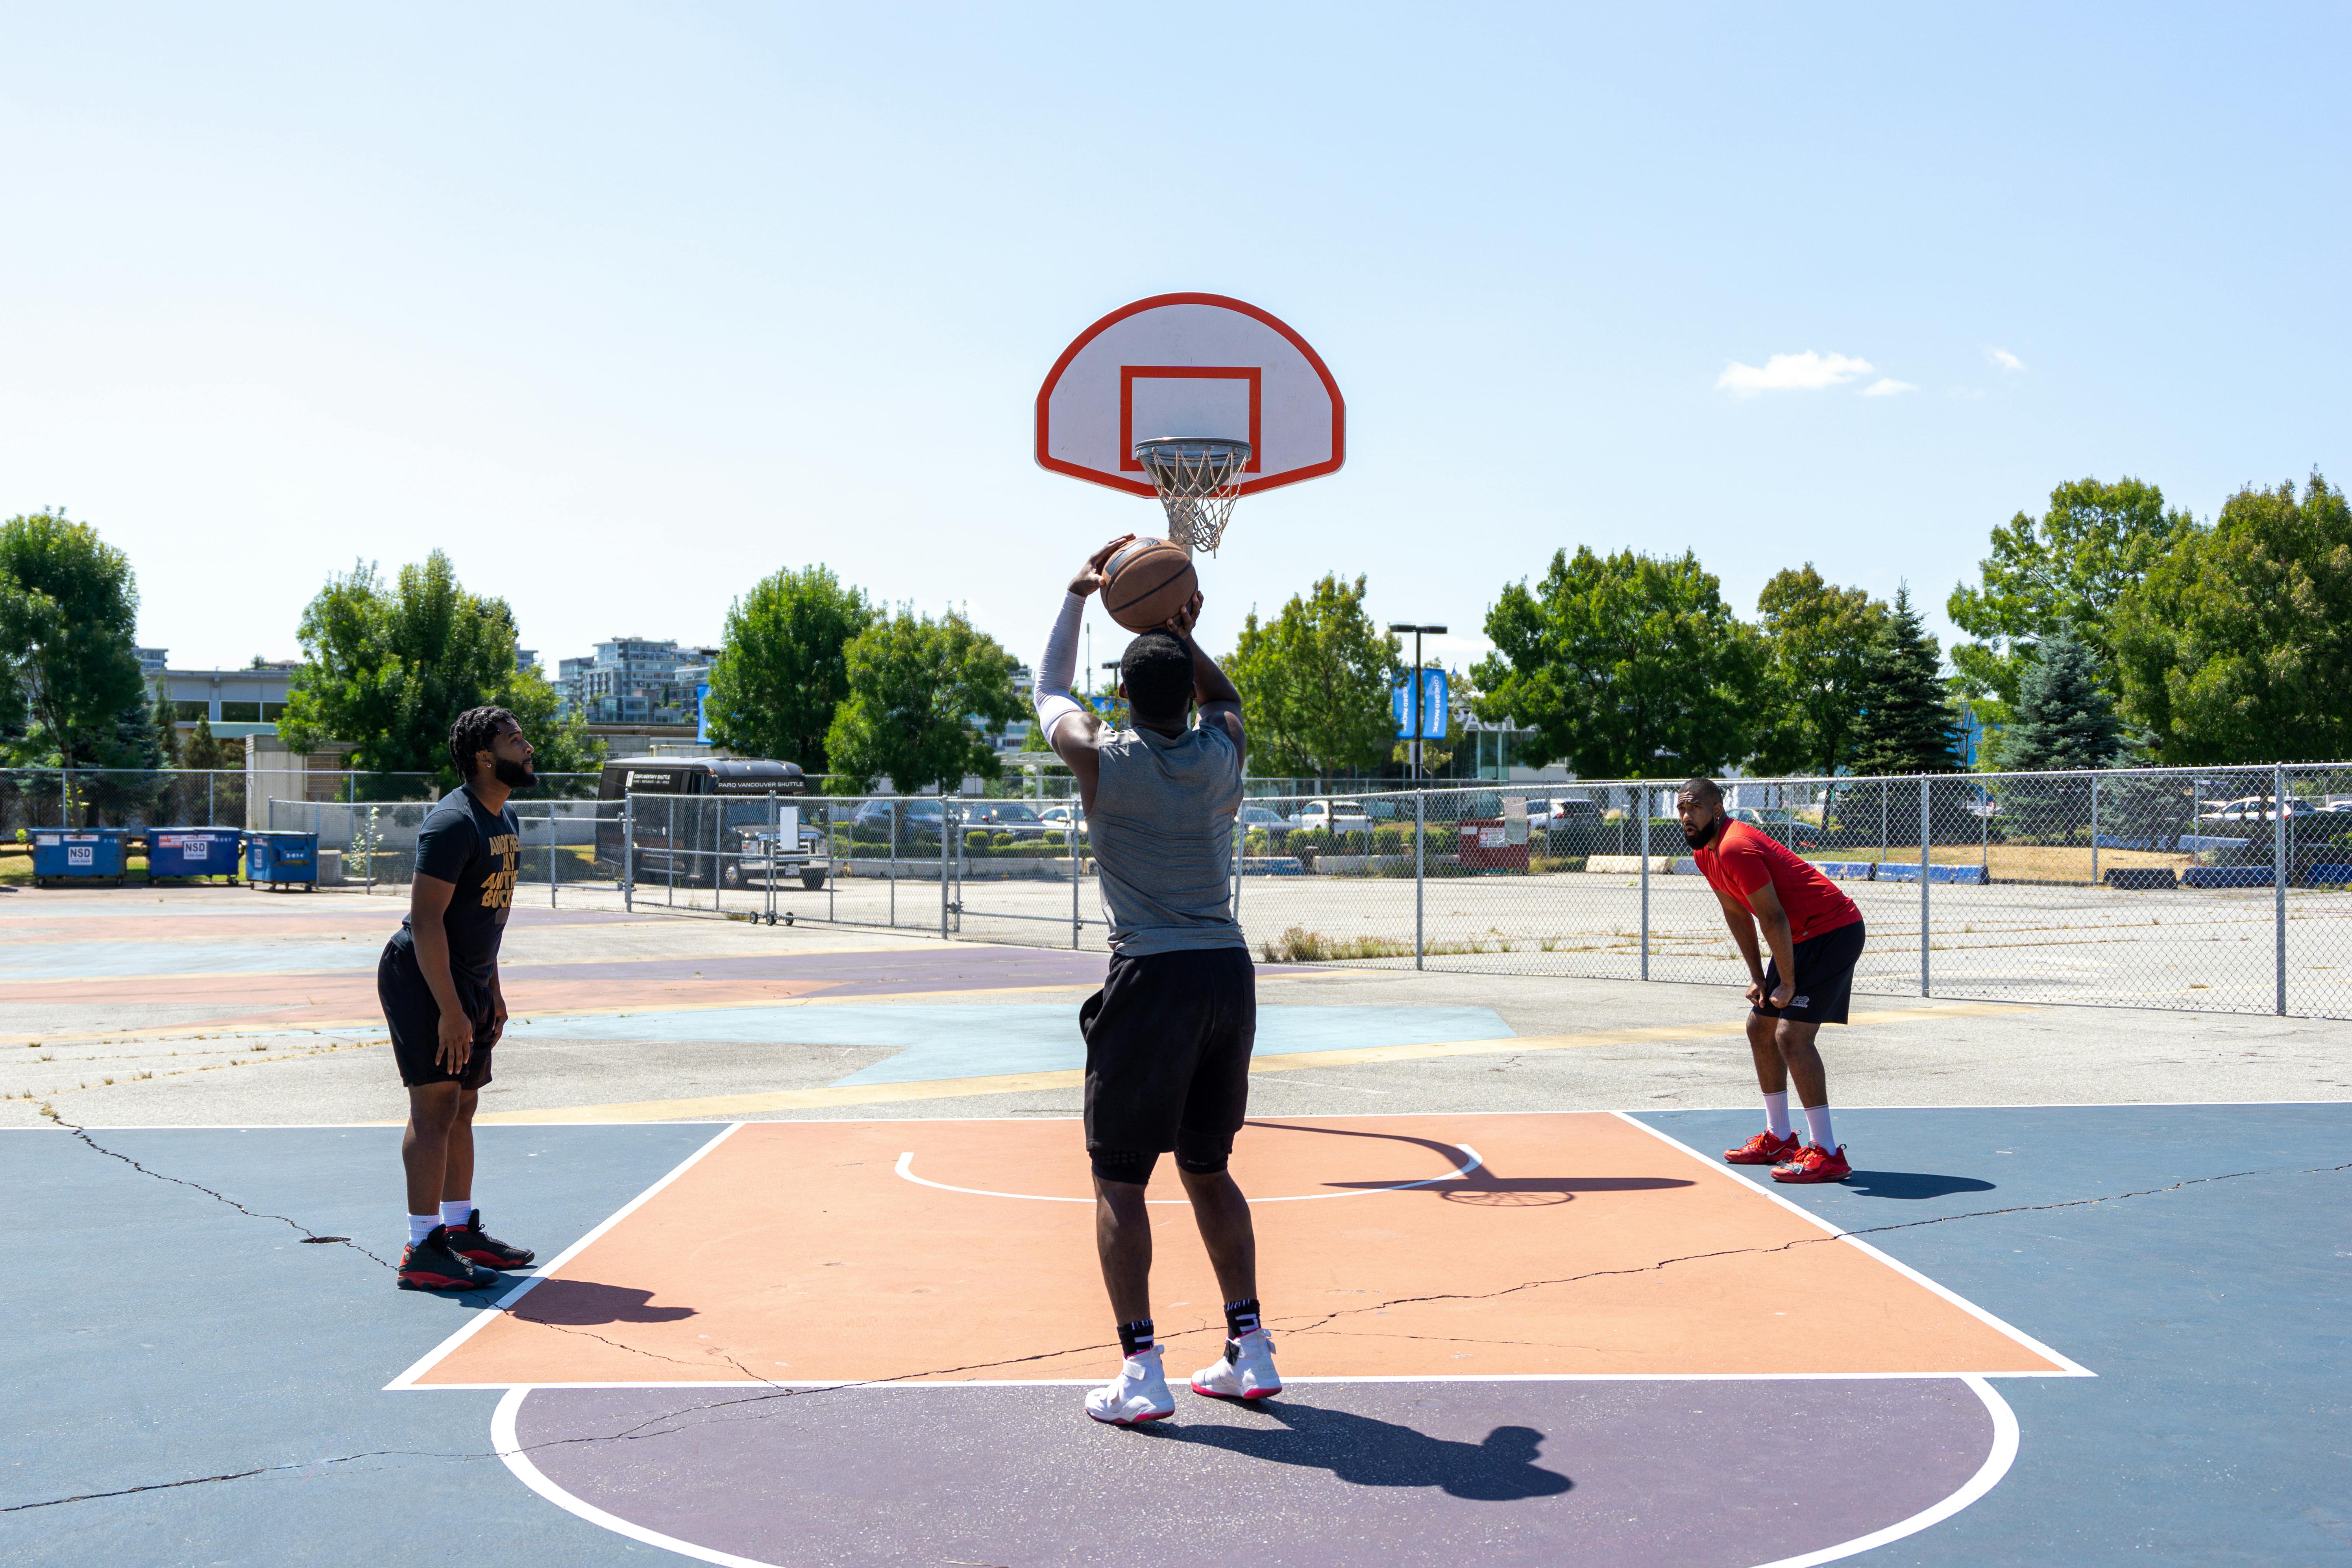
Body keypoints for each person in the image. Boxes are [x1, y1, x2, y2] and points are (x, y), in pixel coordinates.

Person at [1034, 534, 1278, 1425]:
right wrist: (1179, 628)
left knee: (1118, 1181)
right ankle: (1249, 1351)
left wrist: (1077, 596)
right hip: (1226, 974)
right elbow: (1228, 697)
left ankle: (1140, 1370)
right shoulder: (1221, 756)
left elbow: (1049, 693)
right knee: (1208, 1167)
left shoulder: (1103, 763)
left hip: (1151, 980)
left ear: (1126, 697)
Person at [381, 706, 540, 1290]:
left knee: (465, 1103)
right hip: (423, 978)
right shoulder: (453, 823)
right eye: (515, 740)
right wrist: (450, 1008)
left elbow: (486, 919)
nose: (527, 747)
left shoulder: (505, 820)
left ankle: (458, 1229)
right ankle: (423, 1246)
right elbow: (427, 923)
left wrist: (490, 991)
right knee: (435, 1109)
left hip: (469, 979)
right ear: (482, 755)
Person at [1676, 777, 1864, 1184]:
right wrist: (1759, 978)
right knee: (1759, 1027)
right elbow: (1737, 912)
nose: (1686, 817)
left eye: (1694, 808)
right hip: (1798, 937)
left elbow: (1773, 916)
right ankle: (1780, 1137)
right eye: (1681, 810)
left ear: (1717, 810)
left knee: (1791, 1037)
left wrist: (1789, 983)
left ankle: (1828, 1153)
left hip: (1831, 931)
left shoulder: (1734, 847)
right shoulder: (1706, 855)